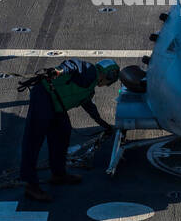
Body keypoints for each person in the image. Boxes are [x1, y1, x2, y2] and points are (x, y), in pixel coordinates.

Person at [18, 58, 119, 201]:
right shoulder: (90, 71)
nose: (107, 85)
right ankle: (31, 186)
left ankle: (58, 174)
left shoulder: (89, 88)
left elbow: (90, 108)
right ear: (109, 75)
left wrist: (105, 125)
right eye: (110, 81)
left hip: (56, 105)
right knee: (33, 141)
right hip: (44, 96)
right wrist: (59, 71)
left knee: (63, 134)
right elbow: (72, 65)